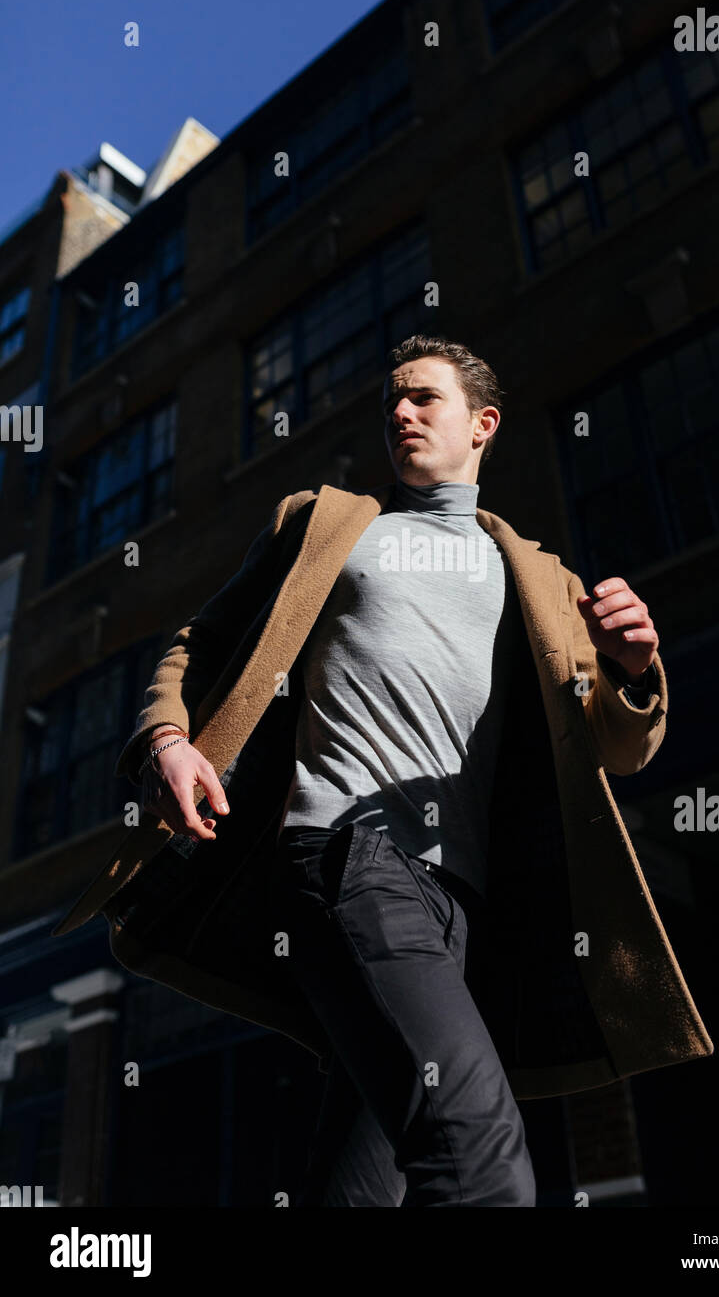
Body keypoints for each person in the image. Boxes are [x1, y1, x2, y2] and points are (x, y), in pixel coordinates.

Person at [139, 334, 665, 1207]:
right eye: (391, 401)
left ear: (483, 424)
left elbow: (622, 744)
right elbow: (202, 641)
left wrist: (636, 672)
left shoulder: (538, 578)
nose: (399, 413)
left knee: (362, 1184)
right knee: (480, 1160)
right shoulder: (328, 526)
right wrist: (168, 739)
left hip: (466, 905)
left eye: (423, 398)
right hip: (347, 859)